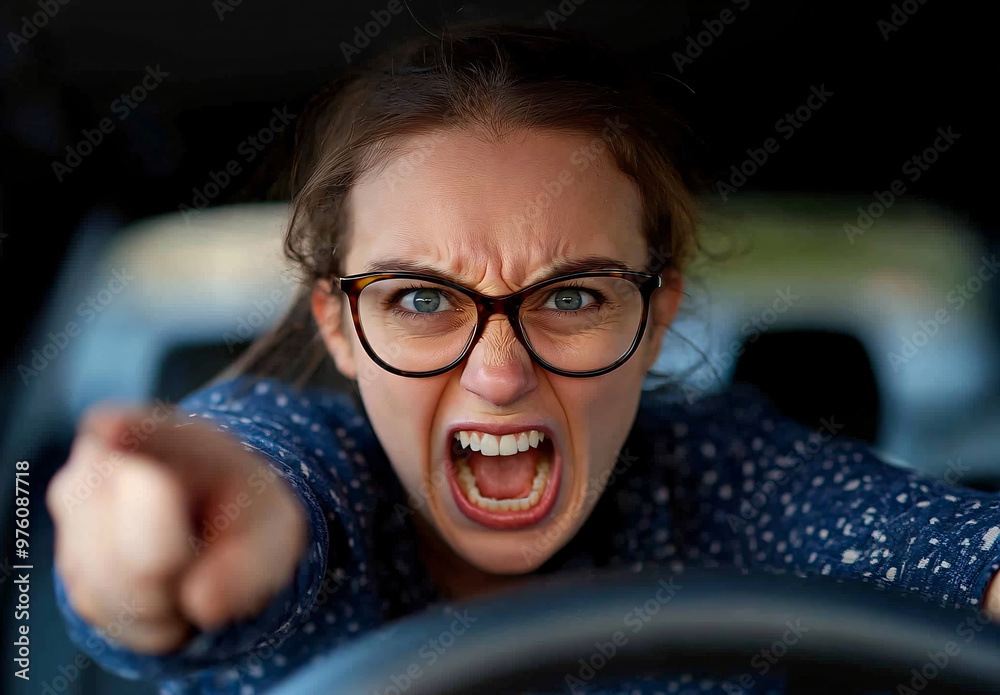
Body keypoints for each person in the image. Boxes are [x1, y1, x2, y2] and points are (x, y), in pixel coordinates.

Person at [47, 22, 1000, 695]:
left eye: (573, 296)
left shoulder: (722, 477)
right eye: (421, 299)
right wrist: (150, 559)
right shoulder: (317, 470)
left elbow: (954, 551)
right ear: (337, 323)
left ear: (657, 312)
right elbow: (242, 493)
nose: (499, 375)